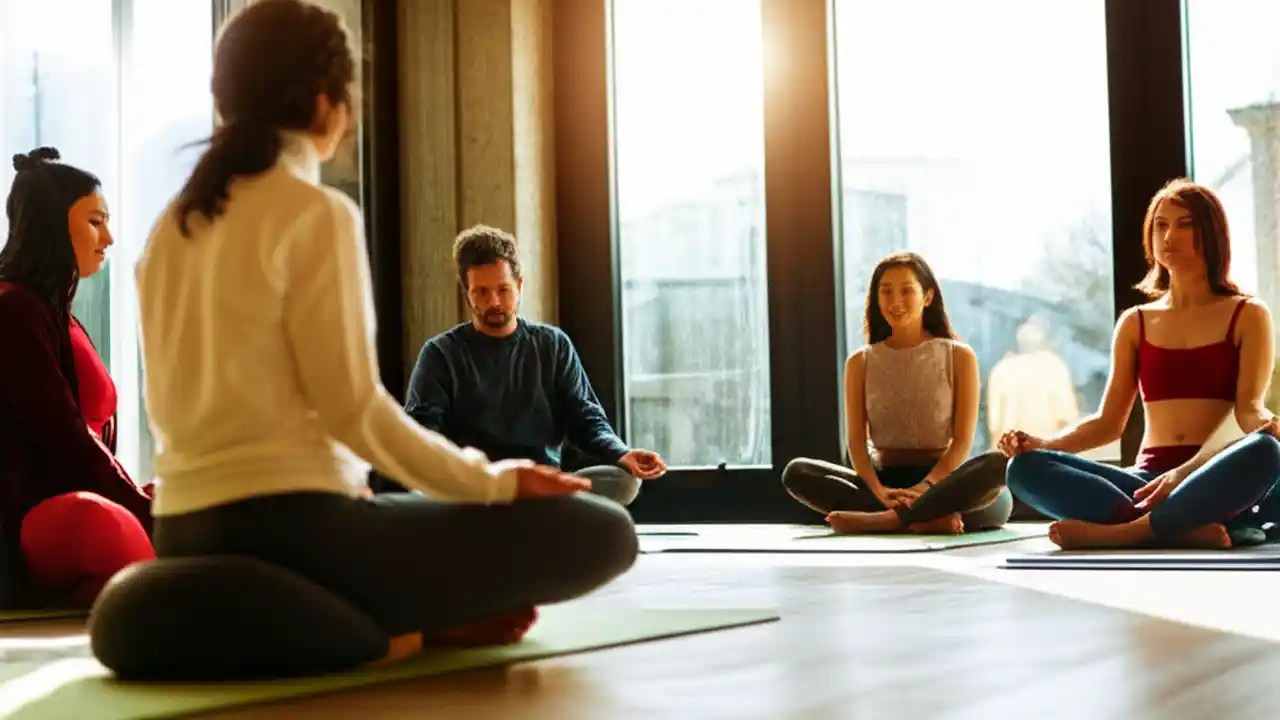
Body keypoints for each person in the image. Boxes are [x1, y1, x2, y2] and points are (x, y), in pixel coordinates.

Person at [132, 0, 636, 649]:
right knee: (603, 532)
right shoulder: (313, 213)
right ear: (324, 104)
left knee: (403, 520)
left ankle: (378, 625)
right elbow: (357, 413)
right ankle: (404, 633)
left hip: (179, 530)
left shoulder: (166, 231)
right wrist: (497, 483)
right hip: (300, 530)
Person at [1001, 178, 1280, 550]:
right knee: (1024, 469)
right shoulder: (1136, 322)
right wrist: (1045, 443)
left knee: (1266, 451)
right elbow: (1107, 424)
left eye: (1185, 224)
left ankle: (1126, 532)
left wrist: (1267, 427)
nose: (1169, 236)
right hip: (1145, 482)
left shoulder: (1247, 314)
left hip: (1213, 473)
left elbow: (1247, 410)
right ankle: (1179, 527)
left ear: (1211, 233)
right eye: (1160, 225)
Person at [392, 224, 667, 506]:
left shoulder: (553, 345)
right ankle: (531, 519)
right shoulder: (441, 354)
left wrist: (621, 453)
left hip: (542, 484)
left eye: (503, 289)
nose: (494, 302)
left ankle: (517, 519)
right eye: (481, 292)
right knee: (421, 496)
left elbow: (585, 416)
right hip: (476, 488)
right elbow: (422, 434)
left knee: (623, 482)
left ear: (519, 285)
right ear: (467, 293)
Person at [0, 148, 154, 608]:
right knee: (107, 523)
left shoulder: (52, 312)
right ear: (53, 225)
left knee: (193, 503)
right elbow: (65, 438)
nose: (108, 237)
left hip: (65, 498)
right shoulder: (12, 311)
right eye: (94, 221)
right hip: (25, 516)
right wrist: (143, 510)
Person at [781, 252, 1011, 535]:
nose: (895, 301)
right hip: (884, 483)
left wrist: (926, 487)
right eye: (886, 291)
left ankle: (890, 520)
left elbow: (962, 441)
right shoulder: (860, 362)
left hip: (943, 482)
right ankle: (921, 519)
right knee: (798, 472)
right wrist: (878, 491)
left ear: (927, 297)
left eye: (907, 290)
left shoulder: (958, 356)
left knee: (998, 466)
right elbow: (856, 442)